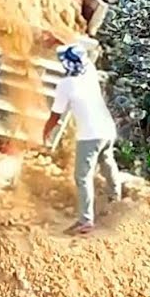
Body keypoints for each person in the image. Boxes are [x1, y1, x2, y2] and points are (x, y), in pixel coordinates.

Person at [42, 42, 122, 235]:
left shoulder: (65, 85)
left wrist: (45, 131)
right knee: (107, 161)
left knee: (82, 177)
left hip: (90, 136)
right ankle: (116, 197)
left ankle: (86, 220)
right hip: (107, 129)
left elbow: (56, 115)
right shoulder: (90, 71)